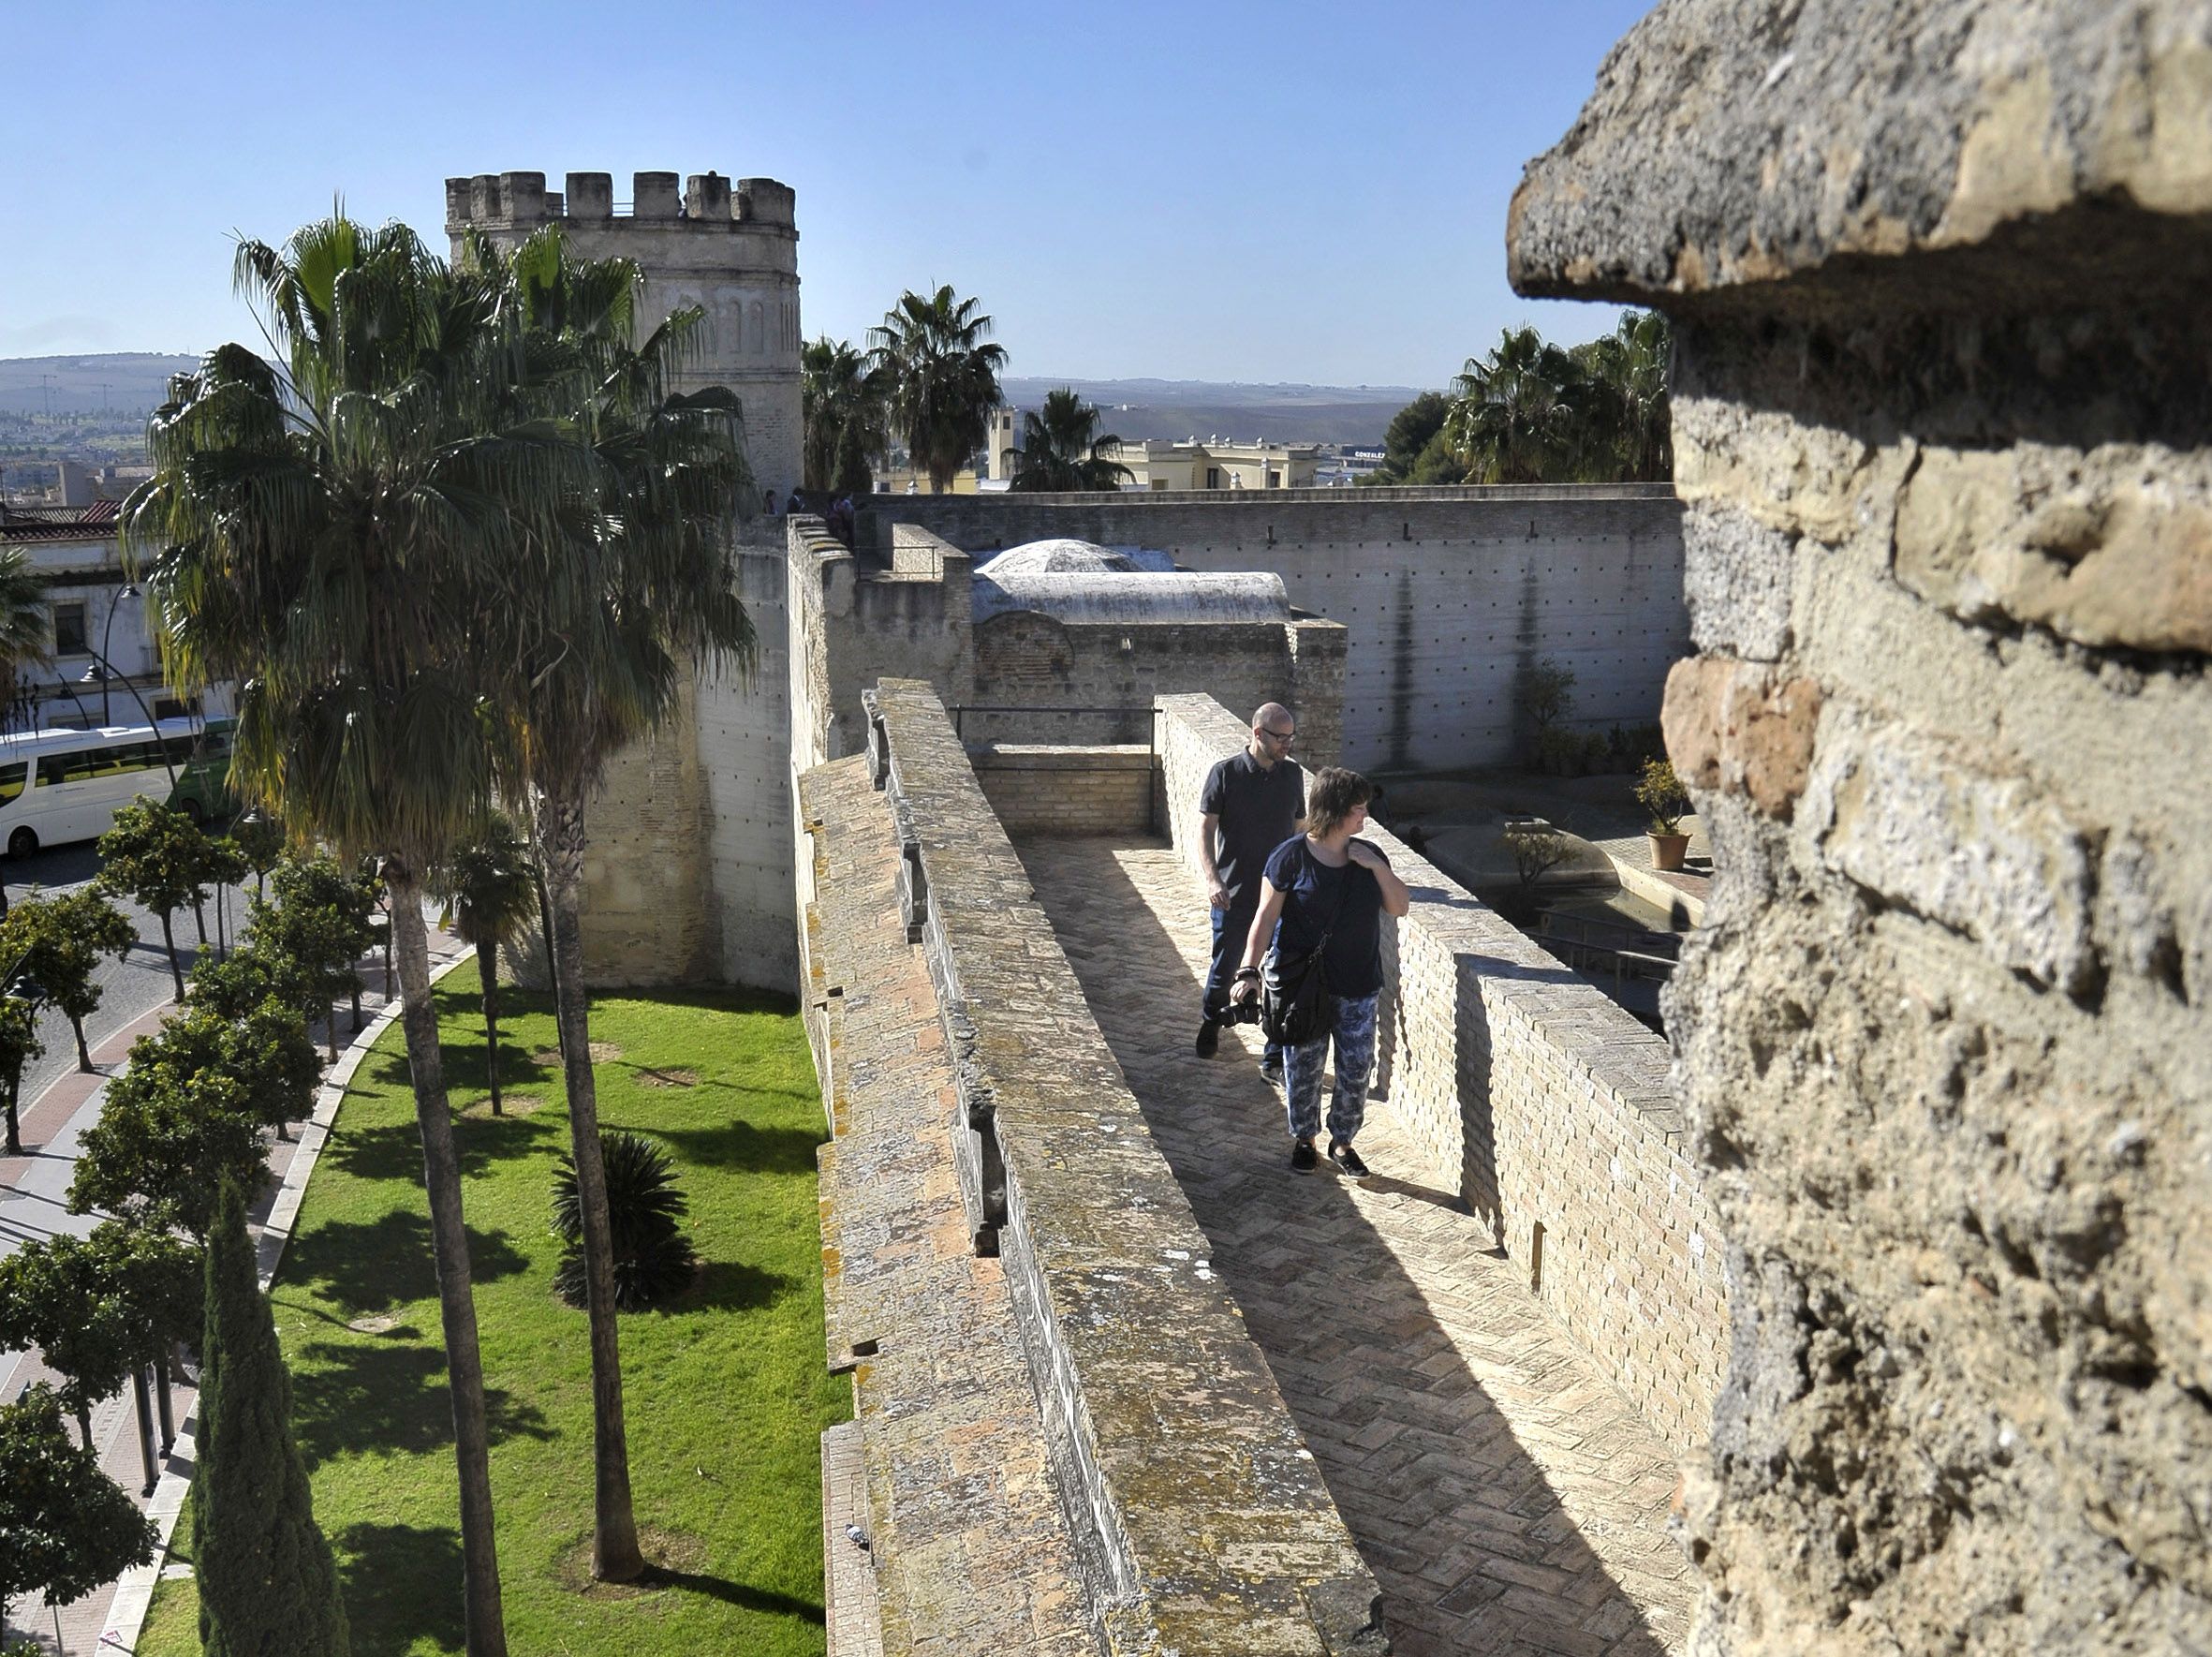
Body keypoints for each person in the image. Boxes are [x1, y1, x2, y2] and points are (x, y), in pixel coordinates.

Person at [1230, 766, 1410, 1176]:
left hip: (1358, 985)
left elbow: (1399, 906)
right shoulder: (1289, 858)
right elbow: (1265, 917)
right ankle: (1304, 1139)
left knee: (1356, 1070)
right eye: (1358, 809)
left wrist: (1377, 867)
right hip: (1304, 989)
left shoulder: (1369, 856)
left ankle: (1342, 1142)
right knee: (1302, 1068)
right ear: (1334, 811)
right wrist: (1248, 971)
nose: (1365, 816)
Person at [1195, 703, 1305, 1077]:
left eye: (1291, 736)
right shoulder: (1225, 773)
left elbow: (1300, 828)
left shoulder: (1292, 775)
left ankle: (1273, 1055)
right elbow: (1205, 830)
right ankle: (1212, 1020)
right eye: (1280, 737)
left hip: (1282, 896)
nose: (1287, 744)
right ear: (1258, 734)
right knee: (1225, 969)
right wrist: (1213, 878)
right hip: (1235, 895)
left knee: (1281, 977)